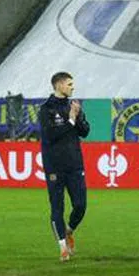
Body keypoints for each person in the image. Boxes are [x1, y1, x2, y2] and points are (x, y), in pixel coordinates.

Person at [39, 71, 90, 261]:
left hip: (75, 164)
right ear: (59, 85)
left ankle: (69, 230)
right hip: (54, 166)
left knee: (80, 205)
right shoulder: (46, 109)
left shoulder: (73, 106)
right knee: (57, 207)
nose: (72, 87)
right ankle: (62, 247)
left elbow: (85, 132)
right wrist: (70, 119)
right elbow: (51, 135)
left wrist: (78, 118)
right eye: (69, 84)